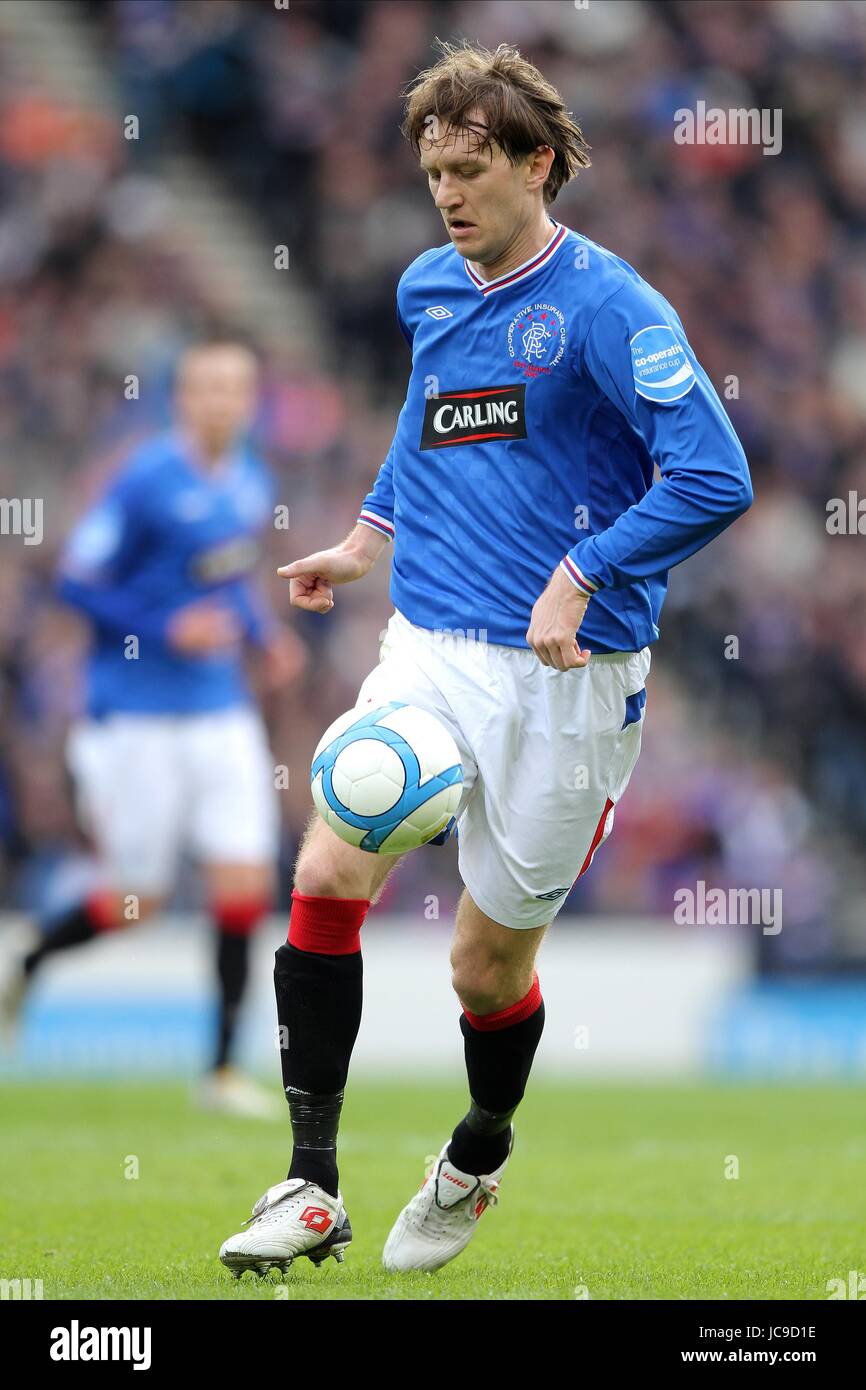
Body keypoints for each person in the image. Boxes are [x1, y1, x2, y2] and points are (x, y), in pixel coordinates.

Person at [219, 41, 752, 1273]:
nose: (448, 195)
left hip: (571, 682)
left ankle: (478, 1149)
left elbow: (714, 473)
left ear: (539, 164)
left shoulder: (612, 307)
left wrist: (586, 567)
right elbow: (426, 418)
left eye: (470, 170)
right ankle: (310, 1182)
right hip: (434, 643)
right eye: (431, 174)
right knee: (335, 838)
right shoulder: (429, 287)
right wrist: (365, 537)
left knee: (483, 961)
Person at [1, 341, 303, 1118]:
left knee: (243, 881)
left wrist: (263, 634)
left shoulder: (248, 477)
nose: (223, 402)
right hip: (134, 717)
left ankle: (221, 1071)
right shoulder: (142, 480)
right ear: (181, 399)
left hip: (218, 713)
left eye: (237, 388)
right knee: (138, 901)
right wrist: (167, 628)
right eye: (207, 388)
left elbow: (227, 579)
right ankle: (33, 957)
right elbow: (75, 581)